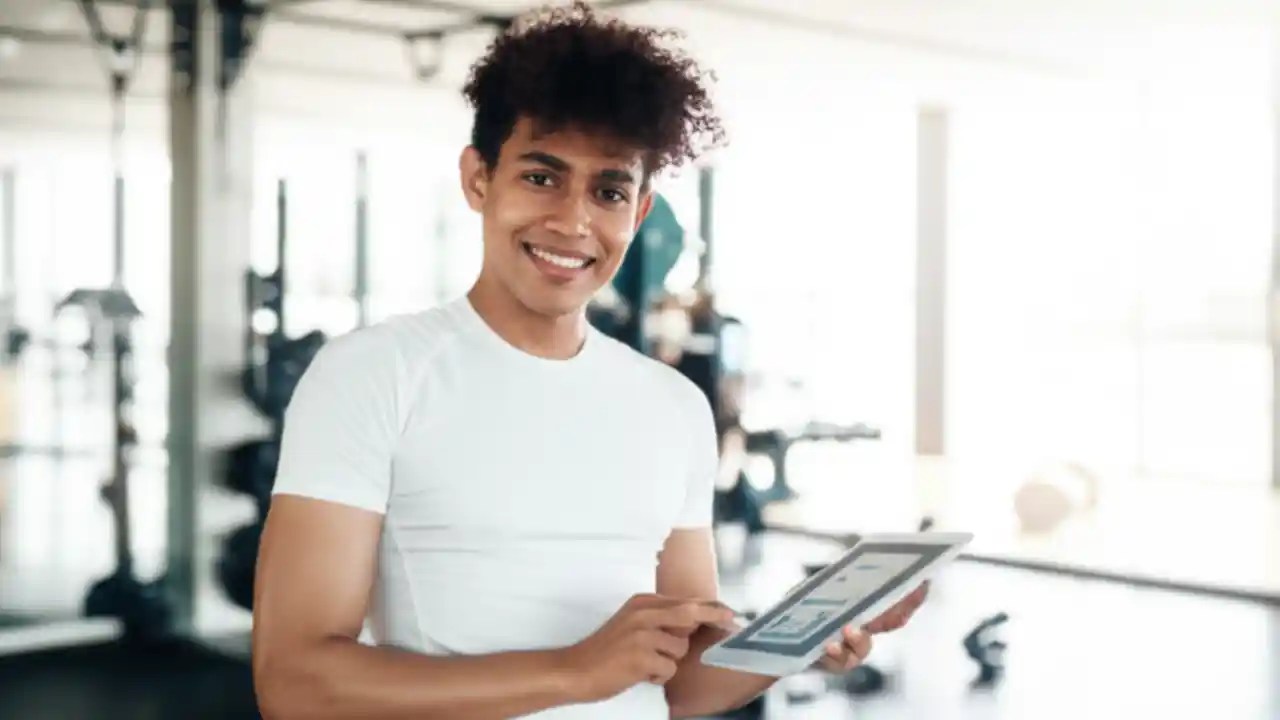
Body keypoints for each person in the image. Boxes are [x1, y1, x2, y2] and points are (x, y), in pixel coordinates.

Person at [250, 3, 926, 718]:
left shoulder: (672, 406)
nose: (574, 221)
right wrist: (573, 671)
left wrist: (799, 638)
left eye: (608, 191)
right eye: (542, 178)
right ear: (479, 179)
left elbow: (681, 684)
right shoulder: (372, 374)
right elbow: (295, 682)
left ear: (638, 213)